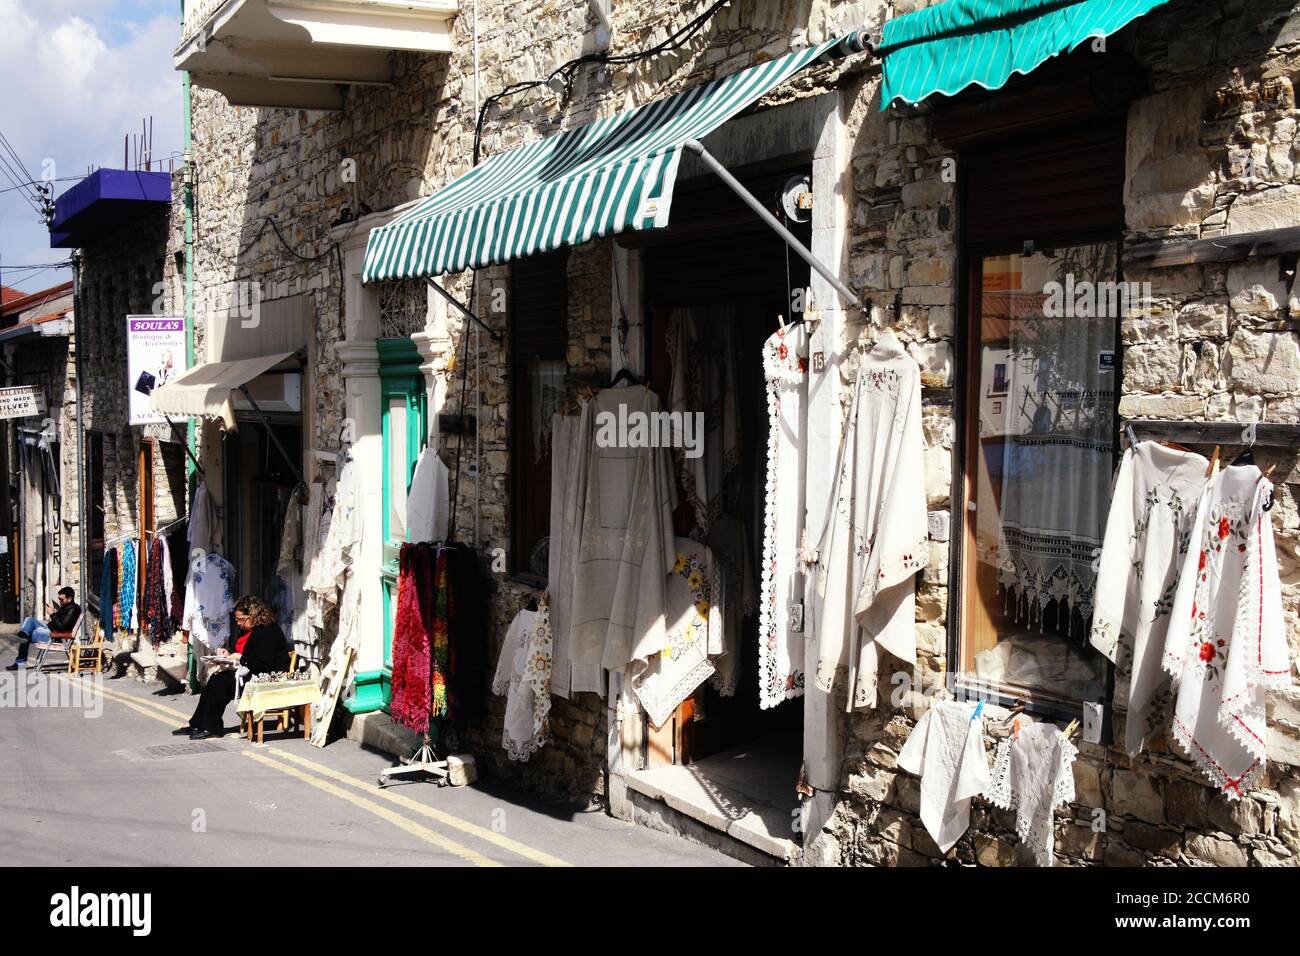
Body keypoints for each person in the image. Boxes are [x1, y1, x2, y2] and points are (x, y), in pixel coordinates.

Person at [175, 595, 289, 740]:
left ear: (253, 615)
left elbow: (264, 664)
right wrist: (227, 655)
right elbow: (242, 653)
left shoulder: (266, 631)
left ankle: (212, 727)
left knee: (221, 683)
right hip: (251, 670)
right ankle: (197, 723)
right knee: (215, 679)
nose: (239, 623)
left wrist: (240, 658)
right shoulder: (248, 630)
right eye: (237, 620)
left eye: (242, 619)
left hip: (267, 676)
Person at [6, 587, 80, 670]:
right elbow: (61, 621)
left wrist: (52, 614)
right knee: (29, 620)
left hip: (56, 636)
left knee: (27, 635)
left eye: (61, 599)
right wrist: (55, 612)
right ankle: (23, 634)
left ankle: (20, 661)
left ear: (69, 598)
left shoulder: (73, 609)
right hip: (49, 629)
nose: (59, 601)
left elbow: (61, 627)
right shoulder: (66, 607)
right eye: (59, 599)